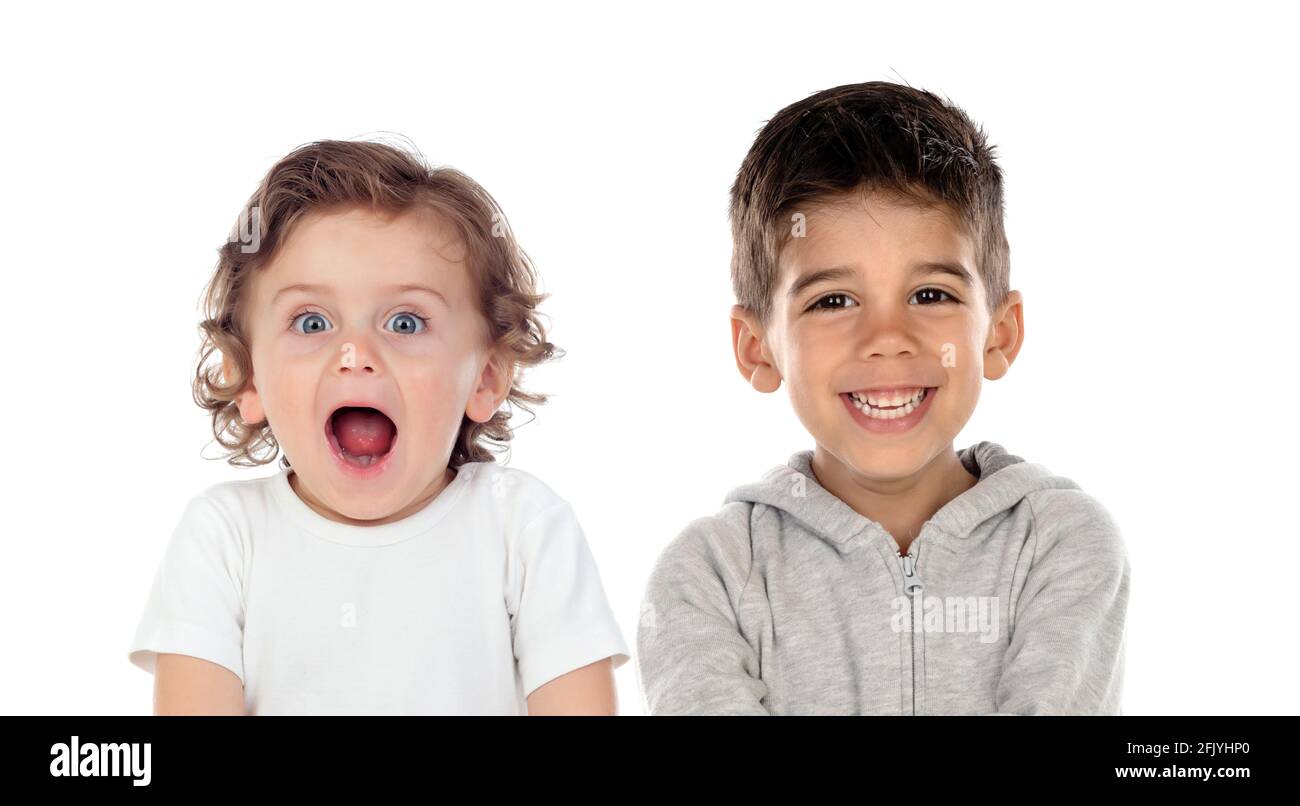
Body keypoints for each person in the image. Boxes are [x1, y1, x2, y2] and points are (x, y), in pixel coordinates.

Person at [636, 82, 1130, 715]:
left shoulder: (1063, 543)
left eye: (930, 294)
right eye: (832, 302)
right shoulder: (709, 579)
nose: (887, 339)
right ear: (757, 347)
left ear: (1000, 333)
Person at [129, 139, 628, 715]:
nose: (354, 353)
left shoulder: (523, 529)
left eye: (406, 321)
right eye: (312, 321)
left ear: (485, 376)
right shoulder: (226, 537)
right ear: (248, 379)